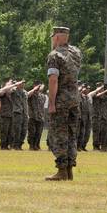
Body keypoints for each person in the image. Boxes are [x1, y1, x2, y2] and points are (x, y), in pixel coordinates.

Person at [45, 27, 82, 180]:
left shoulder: (54, 56)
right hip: (74, 98)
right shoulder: (76, 53)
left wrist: (52, 103)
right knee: (71, 134)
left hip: (61, 99)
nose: (52, 40)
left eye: (53, 37)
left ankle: (61, 170)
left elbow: (53, 80)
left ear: (58, 37)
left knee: (59, 134)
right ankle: (69, 170)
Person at [26, 82, 45, 150]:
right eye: (38, 86)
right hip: (32, 116)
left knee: (39, 132)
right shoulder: (31, 94)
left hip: (40, 116)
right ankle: (31, 145)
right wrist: (34, 89)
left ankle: (36, 145)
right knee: (32, 132)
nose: (39, 87)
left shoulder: (42, 96)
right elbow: (27, 95)